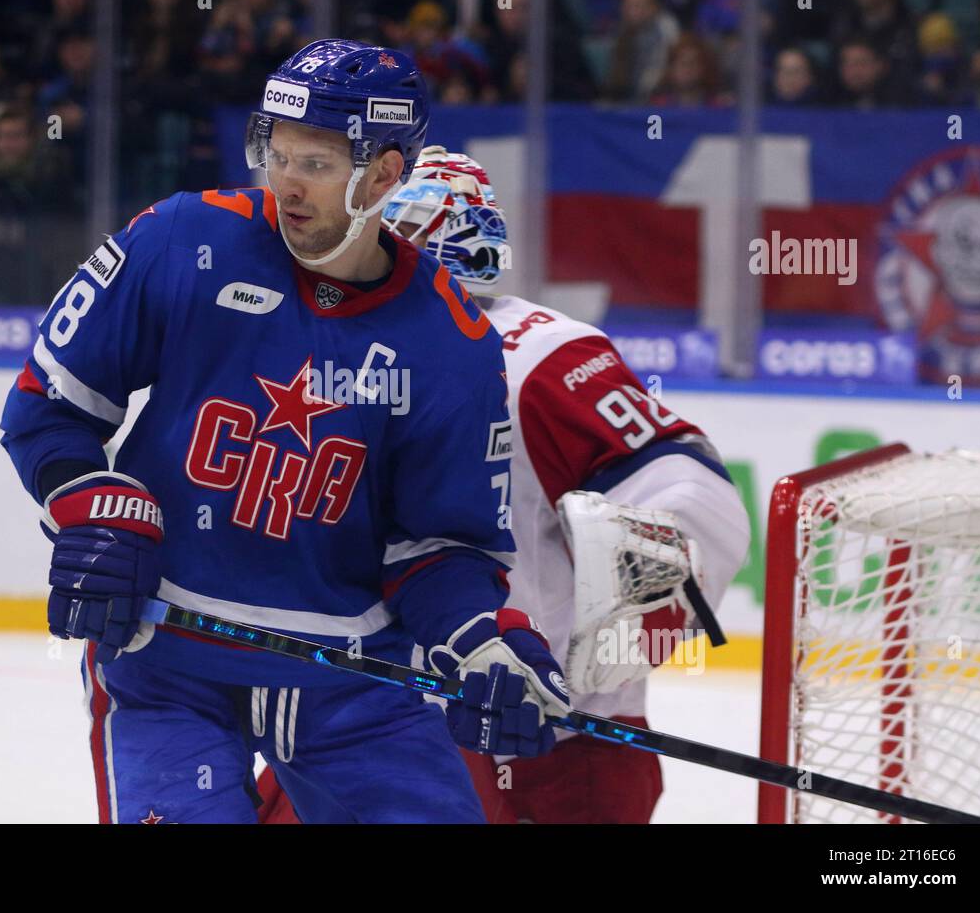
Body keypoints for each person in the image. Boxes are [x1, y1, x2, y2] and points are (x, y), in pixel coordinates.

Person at [0, 41, 570, 824]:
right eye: (276, 150)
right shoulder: (180, 241)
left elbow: (442, 545)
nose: (287, 183)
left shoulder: (450, 340)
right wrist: (89, 504)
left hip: (355, 683)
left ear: (386, 174)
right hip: (168, 665)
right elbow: (49, 406)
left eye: (320, 164)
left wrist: (482, 641)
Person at [257, 147, 749, 823]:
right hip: (361, 713)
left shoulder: (540, 357)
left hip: (543, 745)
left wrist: (608, 644)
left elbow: (695, 498)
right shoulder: (329, 355)